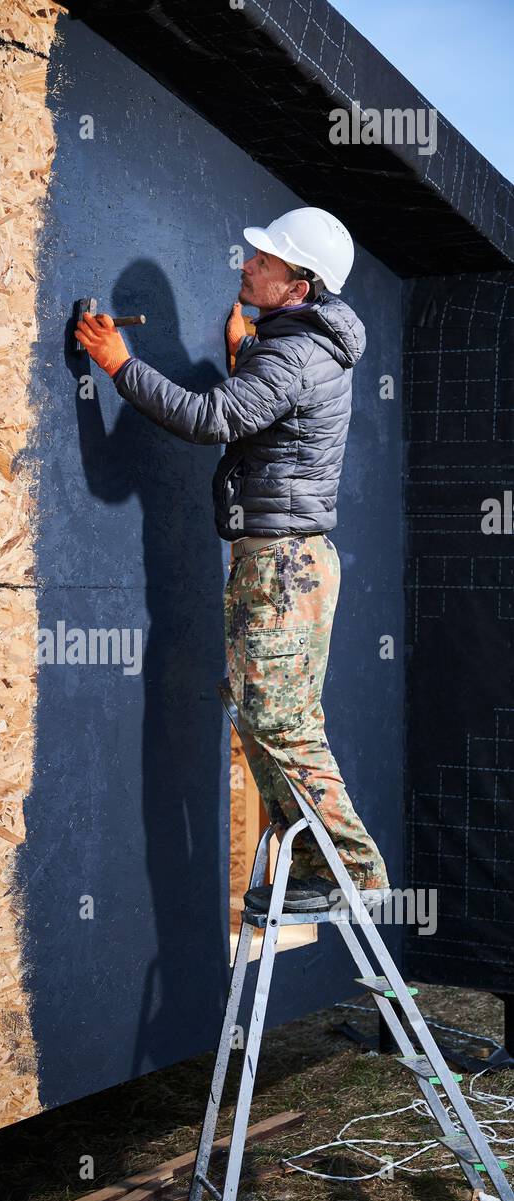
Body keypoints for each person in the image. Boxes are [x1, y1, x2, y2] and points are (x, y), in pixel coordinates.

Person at [74, 206, 391, 914]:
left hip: (282, 566)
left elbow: (213, 419)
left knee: (280, 722)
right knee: (259, 714)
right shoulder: (296, 345)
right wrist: (245, 355)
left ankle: (356, 875)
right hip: (283, 560)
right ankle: (314, 861)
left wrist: (117, 365)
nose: (246, 265)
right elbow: (270, 411)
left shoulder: (292, 353)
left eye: (265, 263)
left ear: (297, 284)